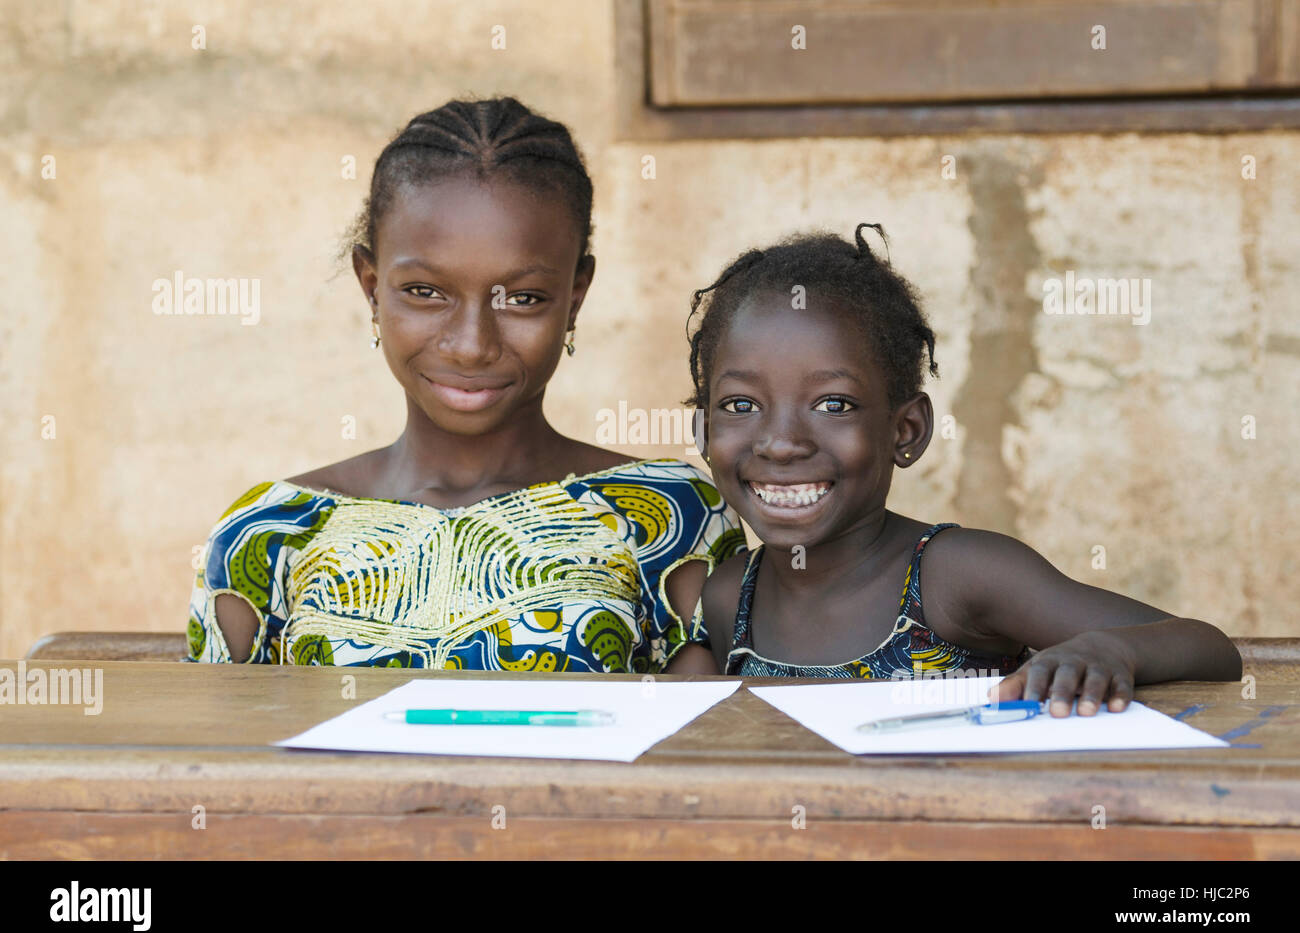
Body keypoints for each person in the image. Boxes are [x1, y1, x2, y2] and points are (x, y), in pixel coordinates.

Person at [186, 97, 744, 671]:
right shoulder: (271, 534)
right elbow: (233, 753)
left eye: (523, 298)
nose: (473, 344)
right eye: (425, 292)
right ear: (371, 286)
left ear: (574, 298)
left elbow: (699, 745)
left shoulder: (669, 517)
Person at [691, 224, 1240, 715]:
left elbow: (1211, 648)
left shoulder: (955, 575)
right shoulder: (728, 598)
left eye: (834, 404)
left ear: (905, 432)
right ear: (703, 433)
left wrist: (1107, 648)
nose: (782, 444)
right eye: (740, 405)